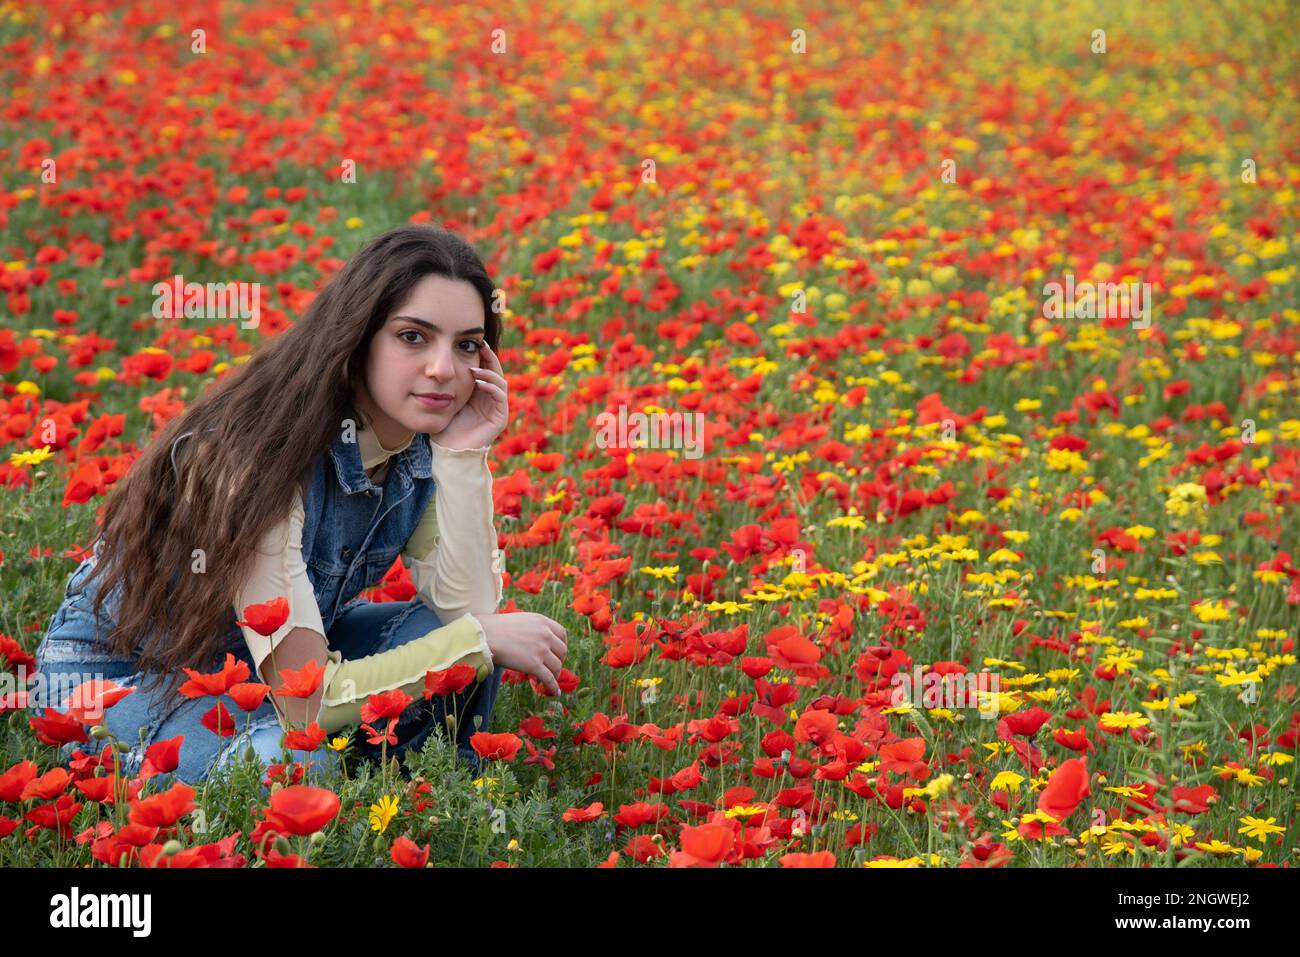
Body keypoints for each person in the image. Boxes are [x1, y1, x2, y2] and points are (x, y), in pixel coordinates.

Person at [31, 223, 569, 787]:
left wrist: (463, 457)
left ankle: (408, 789)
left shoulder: (417, 450)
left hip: (265, 677)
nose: (445, 370)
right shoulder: (255, 457)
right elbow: (307, 701)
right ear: (358, 338)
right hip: (132, 682)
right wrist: (475, 641)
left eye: (465, 345)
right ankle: (348, 775)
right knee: (297, 761)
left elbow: (467, 612)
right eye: (413, 337)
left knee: (447, 637)